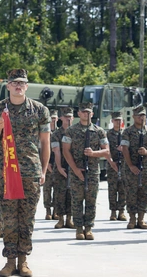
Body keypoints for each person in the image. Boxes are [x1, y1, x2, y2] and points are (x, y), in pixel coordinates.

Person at [0, 69, 51, 277]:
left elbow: (45, 143)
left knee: (27, 218)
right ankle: (9, 261)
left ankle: (23, 261)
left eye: (22, 83)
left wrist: (43, 170)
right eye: (14, 83)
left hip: (30, 171)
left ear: (27, 86)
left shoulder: (40, 110)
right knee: (9, 218)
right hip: (5, 172)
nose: (18, 86)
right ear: (8, 86)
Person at [62, 101, 112, 240]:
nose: (86, 114)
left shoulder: (99, 131)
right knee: (77, 200)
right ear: (79, 114)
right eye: (83, 112)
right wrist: (75, 169)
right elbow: (66, 151)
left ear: (92, 113)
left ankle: (88, 228)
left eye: (88, 112)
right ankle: (78, 228)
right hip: (76, 170)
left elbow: (107, 151)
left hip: (93, 172)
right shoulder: (71, 131)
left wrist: (94, 153)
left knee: (91, 200)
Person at [121, 106, 147, 230]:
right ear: (134, 117)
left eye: (143, 115)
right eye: (139, 115)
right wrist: (130, 165)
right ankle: (132, 218)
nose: (141, 117)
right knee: (131, 193)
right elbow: (125, 149)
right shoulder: (128, 131)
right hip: (132, 168)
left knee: (144, 193)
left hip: (146, 168)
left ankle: (141, 218)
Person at [50, 107, 74, 228]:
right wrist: (59, 167)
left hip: (74, 167)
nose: (68, 119)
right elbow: (56, 151)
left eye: (70, 117)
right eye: (66, 117)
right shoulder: (56, 134)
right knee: (60, 193)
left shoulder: (76, 132)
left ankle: (70, 218)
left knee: (72, 194)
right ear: (61, 118)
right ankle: (60, 219)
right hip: (61, 166)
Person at [106, 111, 127, 221]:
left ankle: (121, 211)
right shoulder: (108, 134)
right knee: (113, 189)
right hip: (112, 164)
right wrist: (111, 161)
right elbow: (105, 149)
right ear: (112, 121)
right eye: (116, 120)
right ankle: (113, 211)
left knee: (123, 188)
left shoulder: (125, 133)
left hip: (124, 164)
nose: (118, 122)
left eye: (120, 120)